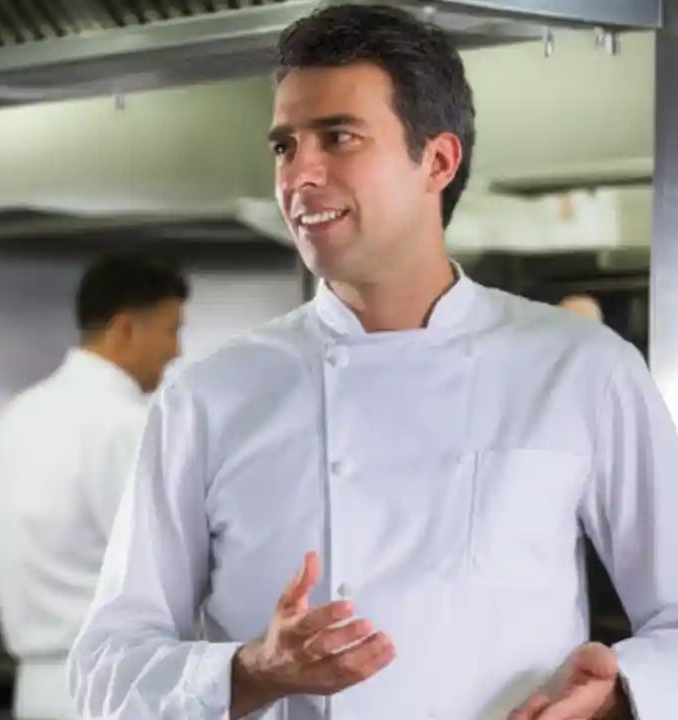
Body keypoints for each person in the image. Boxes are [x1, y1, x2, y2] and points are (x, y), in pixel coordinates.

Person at [68, 6, 676, 719]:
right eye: (285, 146)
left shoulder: (583, 370)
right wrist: (252, 671)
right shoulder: (209, 397)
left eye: (339, 137)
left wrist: (616, 700)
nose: (301, 174)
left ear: (438, 162)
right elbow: (105, 671)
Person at [0, 251, 189, 719]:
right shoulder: (128, 426)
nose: (177, 351)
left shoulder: (11, 421)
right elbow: (171, 574)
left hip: (35, 691)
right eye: (172, 330)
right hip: (122, 689)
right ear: (125, 329)